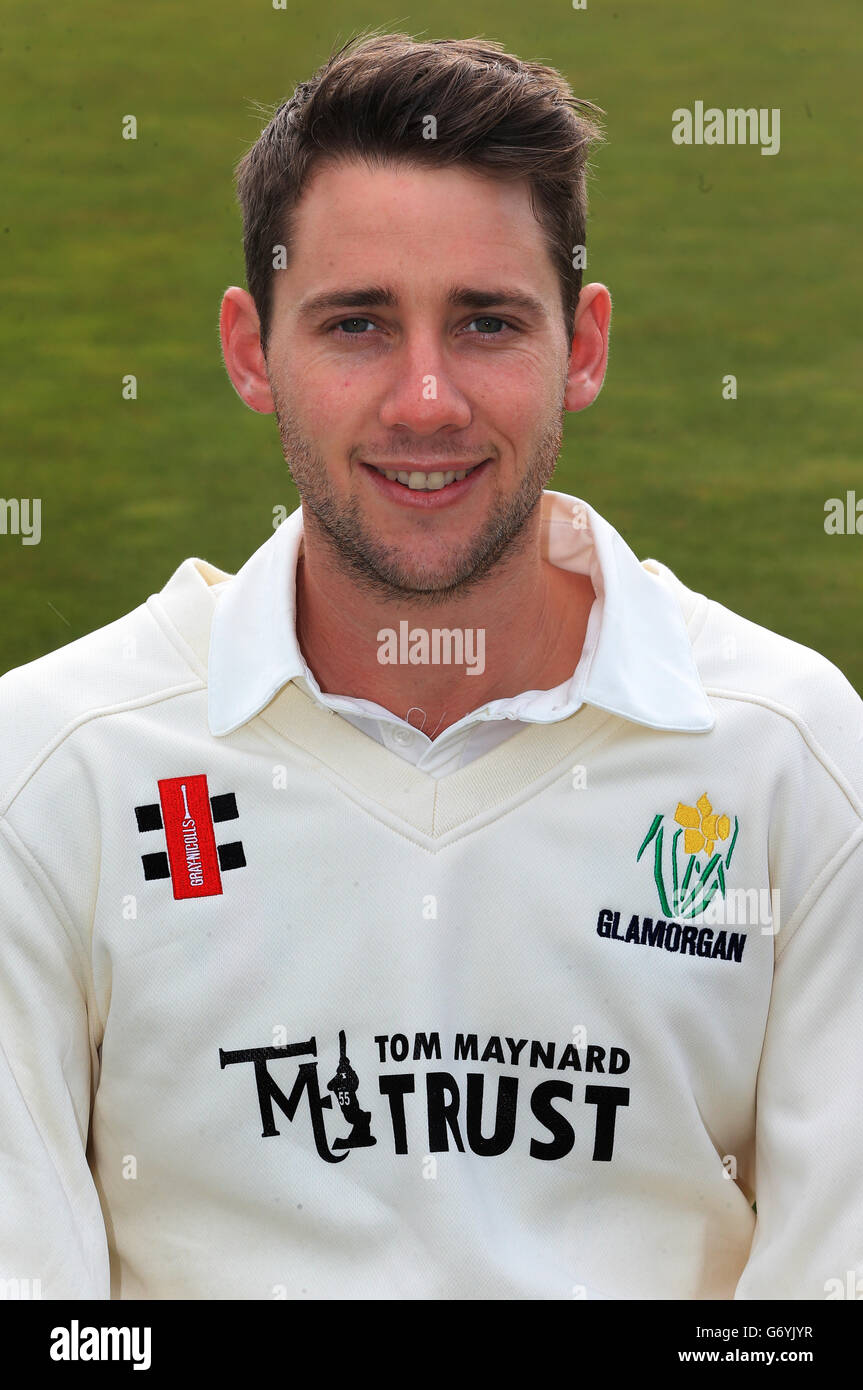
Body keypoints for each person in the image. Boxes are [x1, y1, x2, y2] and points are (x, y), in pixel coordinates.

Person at [1, 31, 860, 1302]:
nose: (423, 400)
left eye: (485, 323)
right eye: (355, 323)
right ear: (251, 350)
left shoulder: (786, 752)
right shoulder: (57, 763)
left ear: (583, 345)